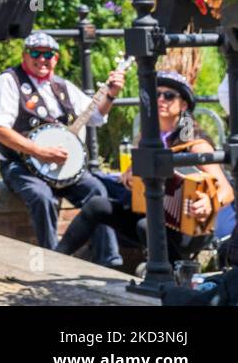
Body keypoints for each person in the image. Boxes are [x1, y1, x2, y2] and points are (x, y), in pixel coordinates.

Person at [57, 69, 234, 264]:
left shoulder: (195, 144)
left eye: (168, 96)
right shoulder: (147, 139)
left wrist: (210, 203)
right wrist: (128, 176)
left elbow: (227, 190)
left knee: (146, 225)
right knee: (96, 205)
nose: (161, 99)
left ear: (183, 104)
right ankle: (55, 259)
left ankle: (172, 277)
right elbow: (134, 173)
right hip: (151, 217)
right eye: (156, 94)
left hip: (190, 227)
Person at [0, 32, 124, 265]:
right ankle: (53, 259)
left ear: (56, 58)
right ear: (24, 55)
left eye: (48, 54)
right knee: (42, 197)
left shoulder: (62, 86)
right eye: (35, 53)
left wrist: (110, 94)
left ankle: (108, 258)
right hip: (20, 165)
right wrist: (38, 151)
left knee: (97, 191)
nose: (42, 59)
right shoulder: (9, 82)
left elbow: (96, 117)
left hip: (61, 167)